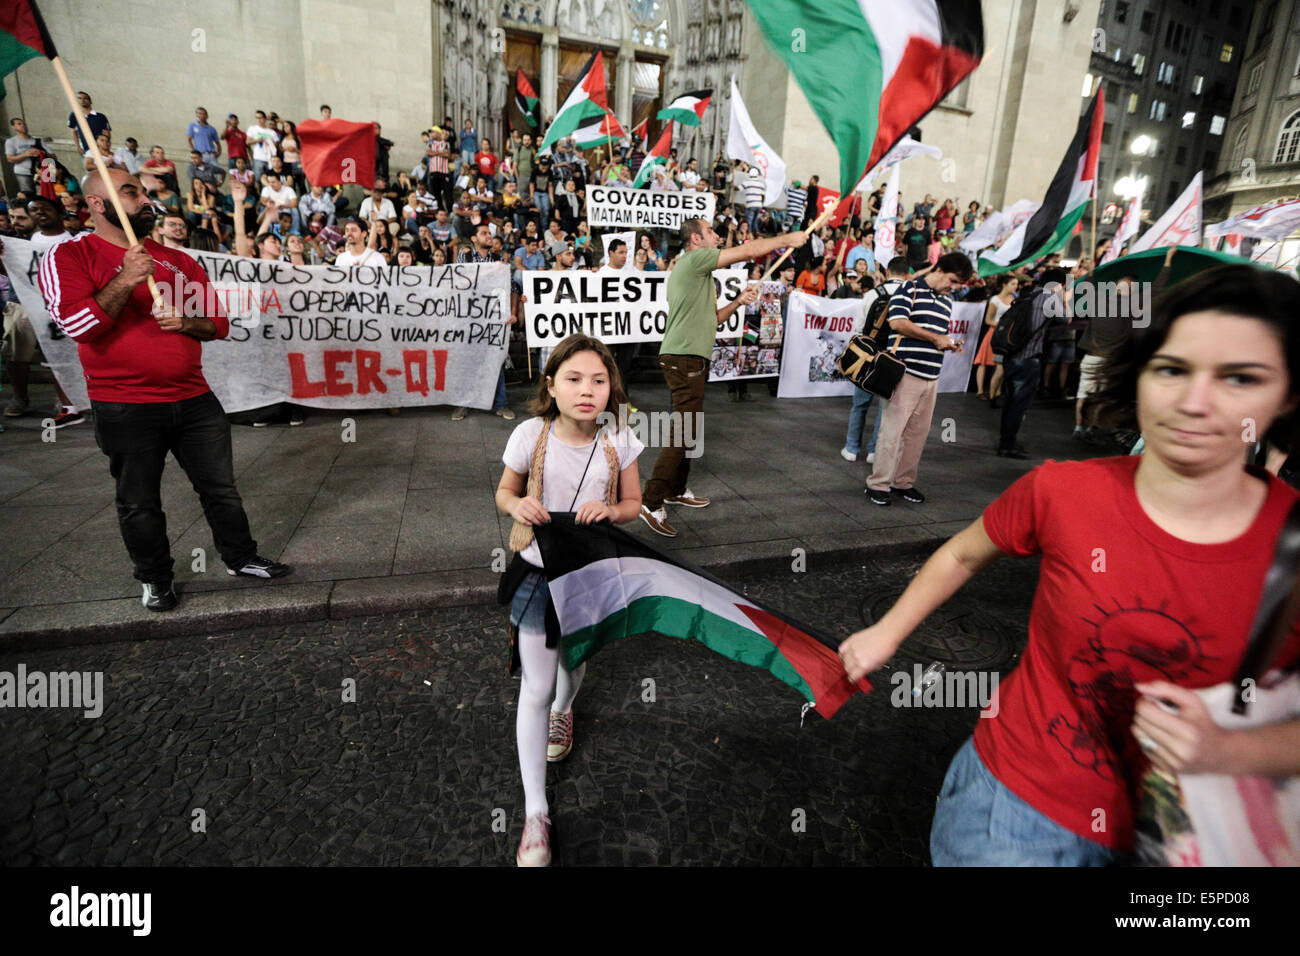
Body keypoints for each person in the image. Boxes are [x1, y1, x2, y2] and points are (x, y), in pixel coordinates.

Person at [841, 264, 1300, 866]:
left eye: (1240, 377)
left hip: (1200, 837)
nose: (1195, 402)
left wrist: (1234, 752)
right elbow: (963, 551)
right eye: (1171, 369)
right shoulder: (1062, 491)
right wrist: (887, 632)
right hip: (1015, 809)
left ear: (1288, 394)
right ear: (1139, 377)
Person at [36, 169, 290, 610]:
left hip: (194, 399)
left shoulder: (178, 262)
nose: (144, 198)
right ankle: (155, 578)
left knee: (220, 488)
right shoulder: (68, 256)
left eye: (143, 191)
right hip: (124, 406)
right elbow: (79, 325)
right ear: (97, 203)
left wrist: (186, 322)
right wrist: (127, 279)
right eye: (130, 192)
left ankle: (241, 557)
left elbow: (219, 324)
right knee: (139, 501)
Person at [496, 334, 645, 867]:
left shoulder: (620, 438)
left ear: (612, 388)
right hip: (537, 579)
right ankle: (536, 813)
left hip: (590, 578)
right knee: (534, 686)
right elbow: (503, 491)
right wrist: (519, 505)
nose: (588, 390)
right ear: (551, 385)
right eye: (574, 379)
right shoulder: (529, 434)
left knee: (574, 665)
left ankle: (566, 709)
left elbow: (633, 503)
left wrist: (613, 513)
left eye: (599, 380)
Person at [639, 217, 807, 537]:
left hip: (689, 358)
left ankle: (675, 490)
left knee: (689, 428)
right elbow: (749, 251)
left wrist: (738, 302)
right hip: (684, 358)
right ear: (696, 240)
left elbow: (715, 319)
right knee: (684, 429)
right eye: (711, 232)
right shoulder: (695, 259)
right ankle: (651, 500)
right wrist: (788, 239)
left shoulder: (699, 273)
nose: (717, 235)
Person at [865, 252, 972, 506]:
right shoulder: (908, 289)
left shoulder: (946, 301)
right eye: (953, 280)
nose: (954, 287)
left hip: (931, 376)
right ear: (939, 269)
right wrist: (935, 339)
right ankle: (878, 484)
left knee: (917, 435)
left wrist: (948, 343)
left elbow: (937, 335)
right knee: (891, 432)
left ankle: (902, 482)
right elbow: (898, 323)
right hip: (904, 372)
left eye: (958, 284)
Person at [842, 257, 910, 464]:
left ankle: (852, 448)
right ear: (907, 275)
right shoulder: (912, 295)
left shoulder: (873, 293)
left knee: (860, 405)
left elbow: (860, 327)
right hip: (894, 359)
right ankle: (874, 451)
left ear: (888, 272)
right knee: (885, 408)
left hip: (870, 356)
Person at [997, 268, 1068, 459]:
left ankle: (1006, 441)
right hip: (1027, 359)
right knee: (1019, 405)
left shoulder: (1029, 293)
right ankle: (1008, 445)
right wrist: (1063, 297)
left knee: (1011, 402)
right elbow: (1066, 318)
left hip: (1011, 355)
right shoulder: (1049, 299)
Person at [452, 222, 514, 421]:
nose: (489, 236)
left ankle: (500, 404)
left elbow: (509, 287)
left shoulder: (498, 260)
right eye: (484, 233)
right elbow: (464, 280)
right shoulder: (466, 255)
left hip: (493, 316)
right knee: (467, 360)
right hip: (470, 316)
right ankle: (463, 404)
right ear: (474, 239)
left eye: (490, 233)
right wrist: (494, 272)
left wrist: (513, 308)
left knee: (495, 359)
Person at [974, 274, 1016, 402]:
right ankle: (980, 390)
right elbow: (988, 320)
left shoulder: (1013, 299)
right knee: (983, 362)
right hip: (994, 333)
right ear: (1004, 284)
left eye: (1016, 284)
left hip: (1005, 335)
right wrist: (1002, 325)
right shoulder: (995, 300)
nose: (1015, 287)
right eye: (1013, 284)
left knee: (1001, 364)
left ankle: (997, 391)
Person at [6, 117, 44, 195]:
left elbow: (52, 156)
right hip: (23, 173)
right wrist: (25, 154)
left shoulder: (36, 141)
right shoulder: (11, 141)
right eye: (19, 124)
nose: (23, 125)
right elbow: (10, 159)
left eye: (24, 124)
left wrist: (41, 152)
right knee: (28, 195)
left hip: (40, 172)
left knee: (43, 195)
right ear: (13, 127)